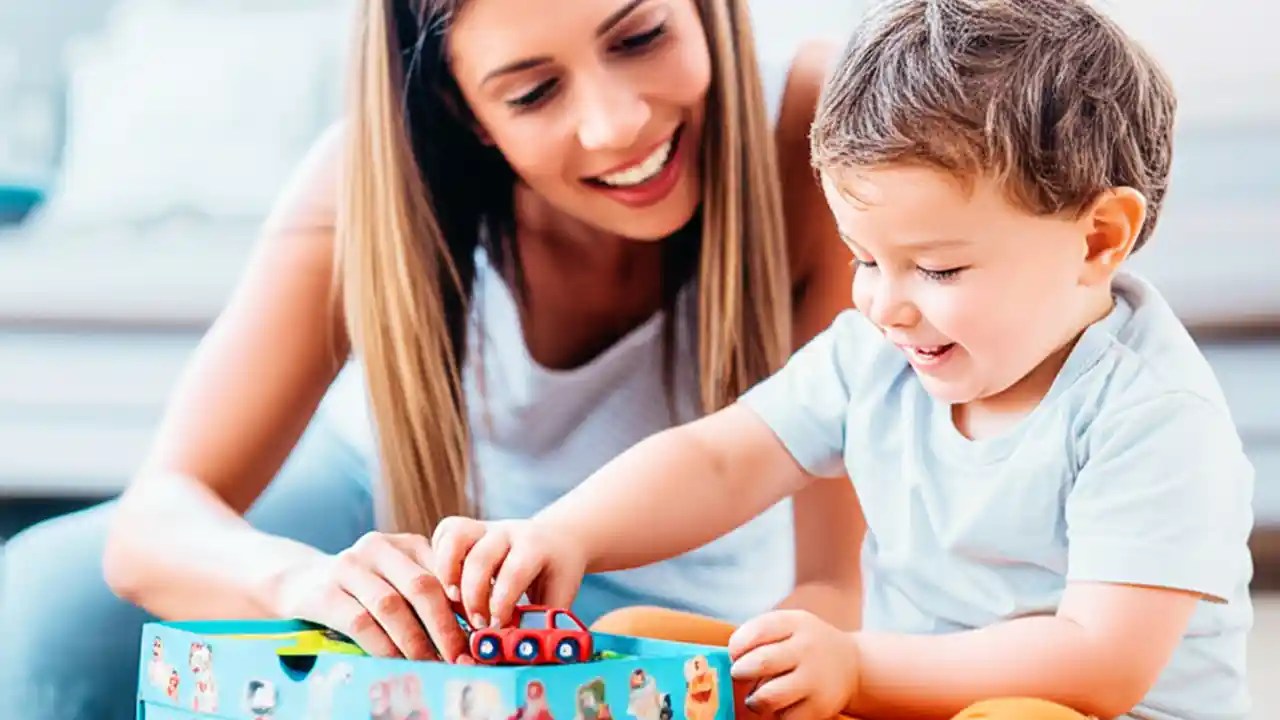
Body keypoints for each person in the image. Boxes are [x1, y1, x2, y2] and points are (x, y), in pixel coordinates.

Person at [0, 1, 865, 718]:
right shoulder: (367, 185)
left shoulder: (823, 133)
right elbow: (152, 524)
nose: (617, 125)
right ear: (463, 110)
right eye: (533, 92)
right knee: (43, 609)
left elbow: (836, 582)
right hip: (380, 516)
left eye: (642, 37)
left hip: (678, 595)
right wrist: (301, 584)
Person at [430, 0, 1257, 718]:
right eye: (864, 258)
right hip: (896, 690)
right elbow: (721, 459)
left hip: (1076, 709)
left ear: (1098, 238)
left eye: (937, 269)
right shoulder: (880, 353)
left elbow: (1098, 662)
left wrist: (856, 665)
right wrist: (568, 534)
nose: (883, 304)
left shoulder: (1150, 414)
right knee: (638, 639)